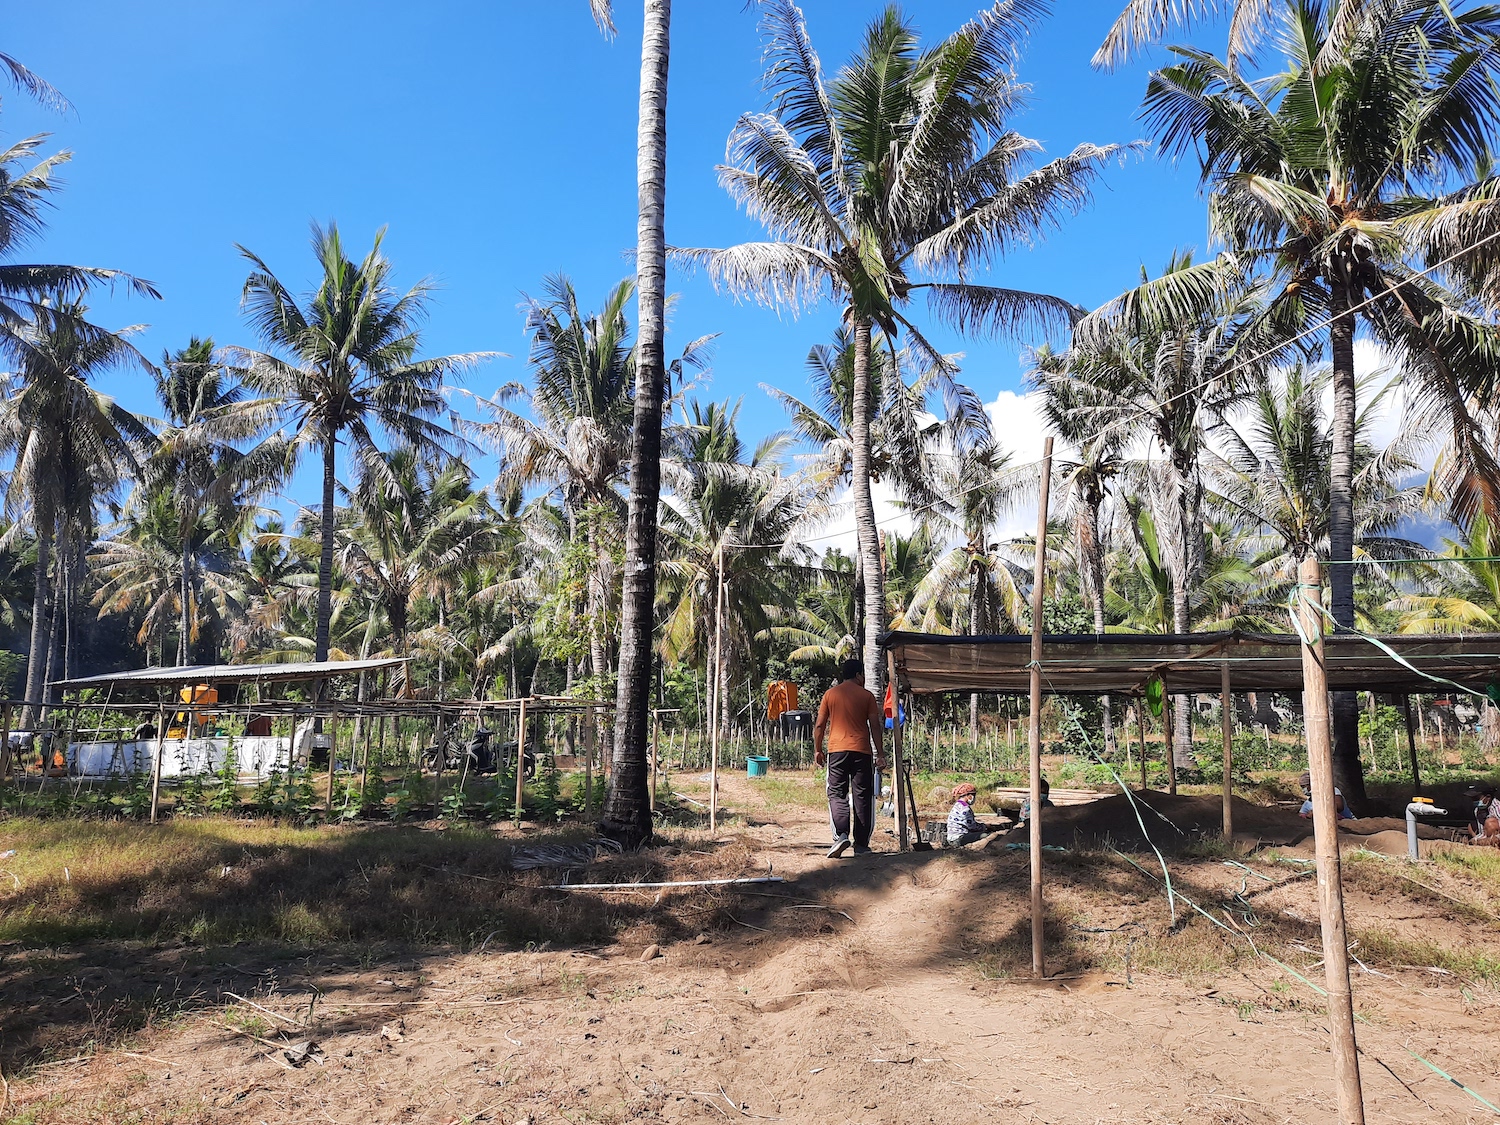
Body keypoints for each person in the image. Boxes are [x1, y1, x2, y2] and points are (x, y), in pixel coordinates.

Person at [813, 658, 885, 858]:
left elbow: (819, 726)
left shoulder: (830, 695)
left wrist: (818, 750)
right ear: (859, 675)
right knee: (862, 795)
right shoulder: (867, 696)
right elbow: (875, 726)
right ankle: (861, 845)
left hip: (837, 751)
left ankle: (841, 835)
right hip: (862, 750)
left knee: (836, 793)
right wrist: (880, 753)